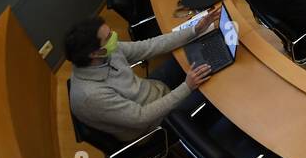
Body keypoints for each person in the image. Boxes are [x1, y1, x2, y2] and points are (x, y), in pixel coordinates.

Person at [66, 8, 220, 140]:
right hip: (150, 124)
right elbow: (141, 117)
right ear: (94, 53)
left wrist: (195, 30)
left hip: (151, 90)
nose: (115, 36)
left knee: (197, 54)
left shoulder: (104, 51)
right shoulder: (91, 96)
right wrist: (187, 87)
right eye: (108, 37)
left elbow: (149, 46)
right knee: (214, 93)